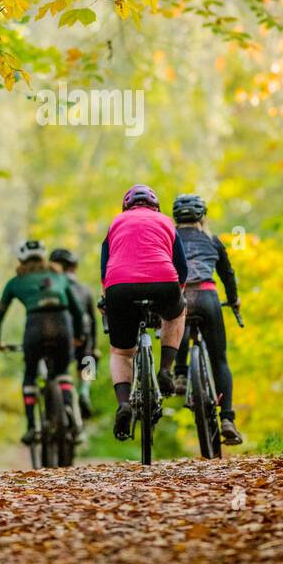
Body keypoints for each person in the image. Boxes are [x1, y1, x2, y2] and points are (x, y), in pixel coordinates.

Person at [100, 185, 188, 441]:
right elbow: (181, 267)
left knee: (121, 351)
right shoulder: (166, 222)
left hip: (120, 286)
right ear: (156, 206)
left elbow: (104, 269)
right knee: (176, 313)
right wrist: (177, 294)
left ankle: (124, 403)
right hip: (164, 282)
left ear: (126, 207)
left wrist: (106, 298)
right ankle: (166, 370)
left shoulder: (115, 223)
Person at [0, 239, 85, 444]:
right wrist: (79, 336)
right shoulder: (58, 275)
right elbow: (77, 310)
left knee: (30, 374)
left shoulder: (15, 282)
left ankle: (33, 427)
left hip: (35, 327)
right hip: (62, 326)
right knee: (63, 373)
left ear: (21, 260)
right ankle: (71, 415)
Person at [171, 193, 243, 445]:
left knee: (175, 320)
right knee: (219, 359)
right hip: (208, 296)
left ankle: (179, 374)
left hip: (179, 295)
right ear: (203, 216)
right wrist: (233, 300)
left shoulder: (169, 239)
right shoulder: (212, 240)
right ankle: (227, 419)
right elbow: (228, 274)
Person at [49, 248, 97, 420]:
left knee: (54, 369)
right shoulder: (84, 290)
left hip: (56, 338)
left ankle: (54, 398)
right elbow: (92, 323)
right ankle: (84, 391)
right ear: (73, 267)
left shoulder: (51, 287)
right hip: (82, 339)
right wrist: (94, 347)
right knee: (89, 360)